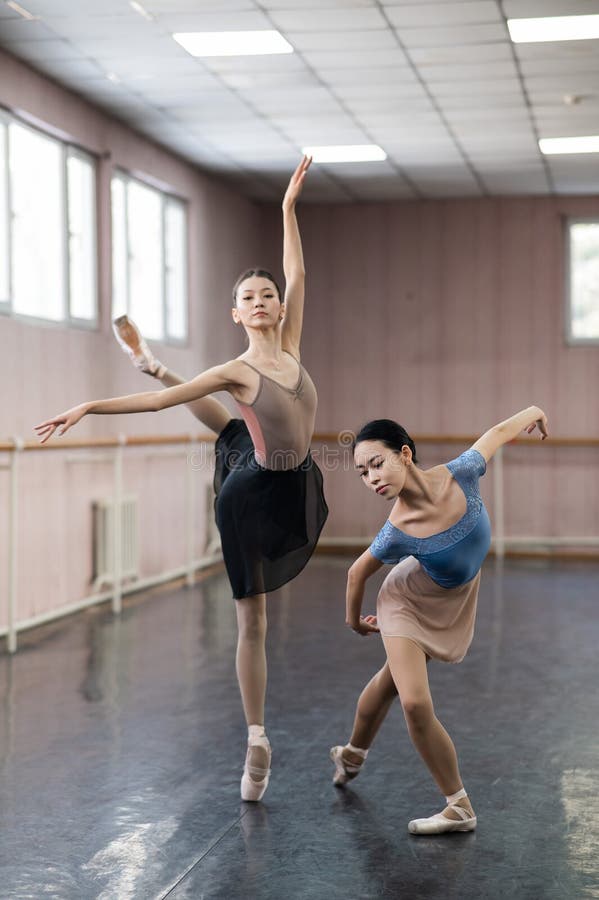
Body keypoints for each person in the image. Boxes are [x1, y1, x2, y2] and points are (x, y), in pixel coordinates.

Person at [35, 156, 328, 803]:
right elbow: (154, 410)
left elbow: (299, 269)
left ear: (279, 306)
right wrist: (87, 407)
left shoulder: (294, 345)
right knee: (253, 623)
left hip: (291, 479)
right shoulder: (235, 367)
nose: (262, 300)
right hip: (247, 497)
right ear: (235, 314)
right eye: (248, 297)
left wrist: (286, 208)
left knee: (230, 433)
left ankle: (151, 361)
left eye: (267, 294)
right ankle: (256, 740)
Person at [331, 408, 548, 834]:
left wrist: (535, 412)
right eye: (362, 473)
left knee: (390, 681)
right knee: (414, 700)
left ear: (405, 454)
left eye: (378, 464)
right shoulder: (396, 529)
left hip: (451, 600)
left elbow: (498, 431)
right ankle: (458, 806)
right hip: (406, 601)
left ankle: (352, 754)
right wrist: (355, 621)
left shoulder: (462, 472)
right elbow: (356, 572)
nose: (372, 478)